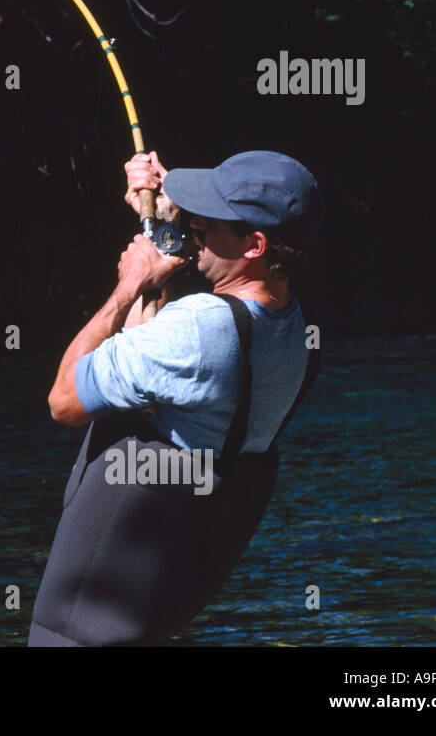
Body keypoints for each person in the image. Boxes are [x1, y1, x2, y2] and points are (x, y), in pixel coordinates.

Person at [28, 150, 324, 646]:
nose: (198, 225)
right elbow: (161, 361)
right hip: (147, 615)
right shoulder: (297, 334)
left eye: (211, 220)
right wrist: (164, 227)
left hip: (76, 626)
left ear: (255, 244)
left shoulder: (199, 327)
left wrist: (130, 284)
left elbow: (64, 399)